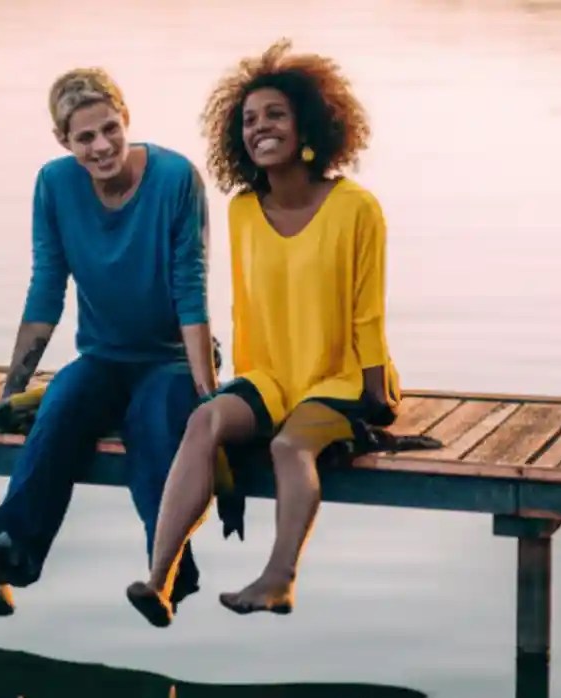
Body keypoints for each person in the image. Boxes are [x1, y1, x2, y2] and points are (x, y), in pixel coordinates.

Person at [126, 39, 401, 627]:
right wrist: (236, 393)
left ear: (308, 124)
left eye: (275, 114)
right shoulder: (242, 211)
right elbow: (247, 309)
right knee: (203, 420)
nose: (260, 127)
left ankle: (279, 579)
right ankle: (160, 578)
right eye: (249, 120)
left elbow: (368, 311)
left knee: (288, 447)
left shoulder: (357, 207)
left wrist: (376, 395)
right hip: (270, 377)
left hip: (341, 377)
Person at [0, 67, 216, 616]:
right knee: (59, 408)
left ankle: (167, 574)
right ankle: (1, 566)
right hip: (103, 358)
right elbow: (46, 289)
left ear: (127, 119)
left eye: (110, 128)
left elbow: (191, 289)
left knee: (154, 424)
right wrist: (9, 391)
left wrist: (206, 394)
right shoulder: (55, 184)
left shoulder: (177, 178)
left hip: (172, 359)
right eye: (85, 137)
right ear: (63, 141)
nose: (102, 145)